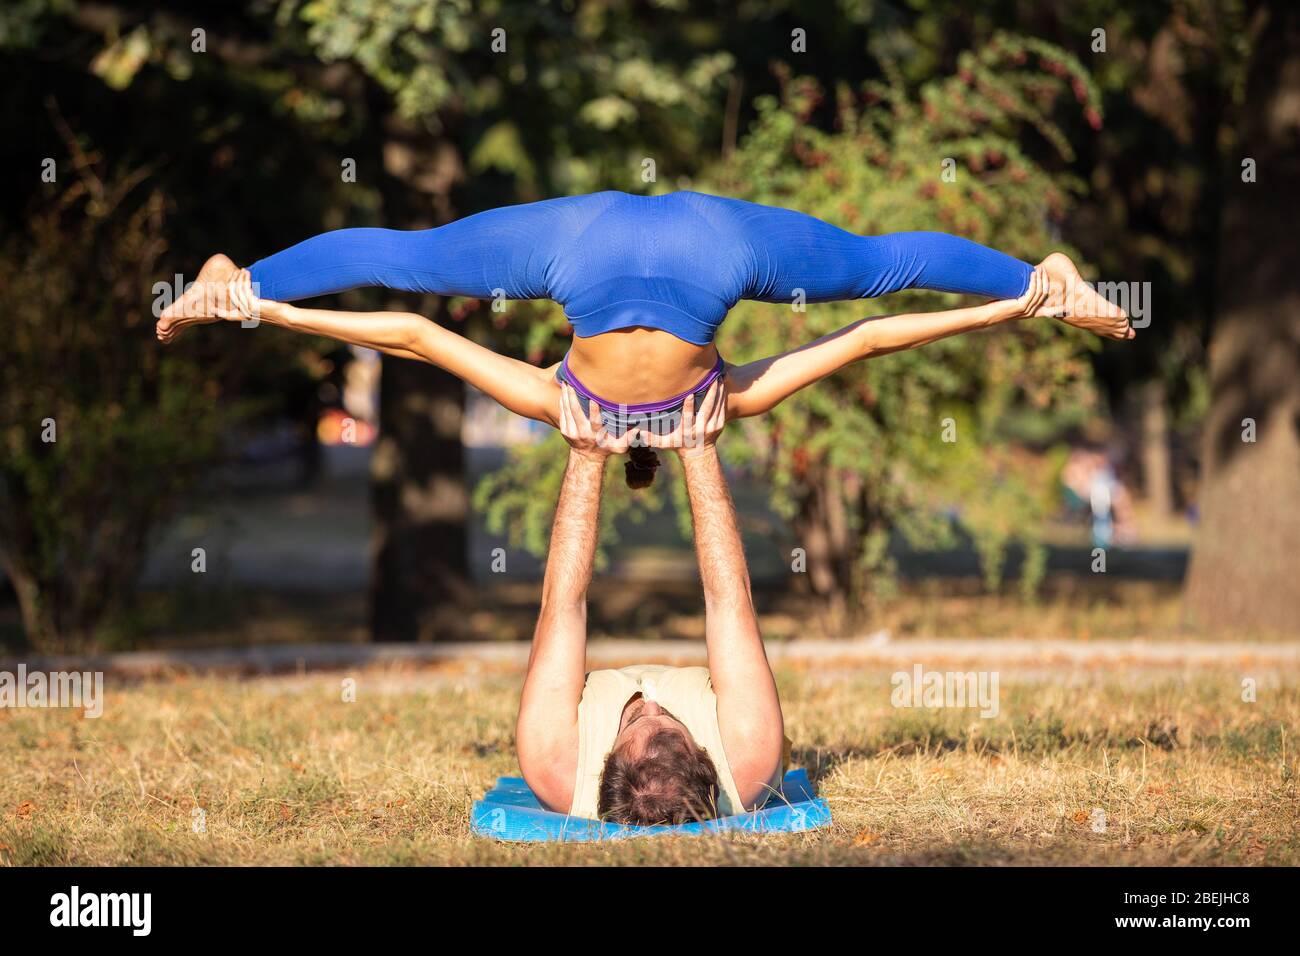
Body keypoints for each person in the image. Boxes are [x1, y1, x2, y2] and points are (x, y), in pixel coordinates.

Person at [156, 190, 1131, 484]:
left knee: (877, 262)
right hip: (609, 250)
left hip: (680, 251)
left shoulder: (714, 408)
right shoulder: (568, 407)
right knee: (410, 257)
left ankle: (1046, 272)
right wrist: (267, 310)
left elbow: (874, 336)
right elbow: (407, 333)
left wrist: (1021, 302)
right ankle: (232, 276)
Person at [516, 378, 784, 824]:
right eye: (671, 723)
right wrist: (699, 453)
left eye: (635, 723)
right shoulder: (747, 755)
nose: (653, 704)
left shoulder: (556, 764)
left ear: (605, 761)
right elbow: (728, 599)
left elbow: (562, 605)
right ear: (707, 759)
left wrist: (586, 457)